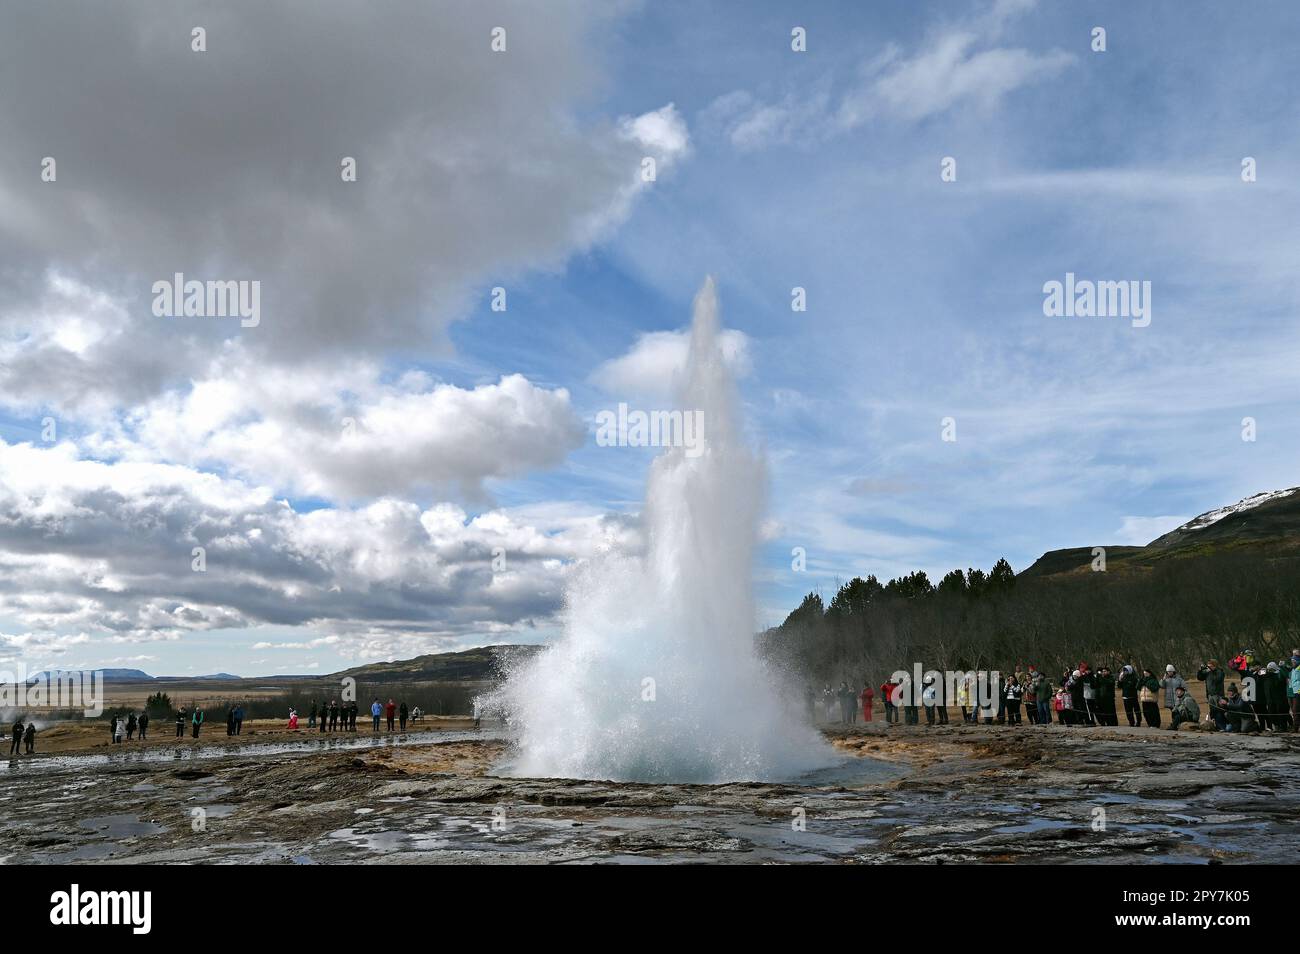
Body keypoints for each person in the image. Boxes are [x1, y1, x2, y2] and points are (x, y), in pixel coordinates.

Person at [1196, 660, 1225, 730]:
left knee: (1219, 710)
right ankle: (1214, 725)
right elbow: (1200, 678)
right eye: (1208, 665)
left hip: (1218, 695)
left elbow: (1217, 680)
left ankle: (1221, 726)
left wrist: (1211, 671)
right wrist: (1200, 671)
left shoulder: (1219, 672)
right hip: (1210, 695)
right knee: (1212, 711)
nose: (1209, 667)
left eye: (1211, 666)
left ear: (1215, 666)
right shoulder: (1208, 672)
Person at [1290, 653, 1300, 733]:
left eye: (1293, 661)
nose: (1292, 662)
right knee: (1295, 710)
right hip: (1295, 691)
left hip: (1299, 692)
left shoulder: (1299, 668)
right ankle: (1296, 727)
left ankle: (1295, 728)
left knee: (1295, 710)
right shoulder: (1293, 669)